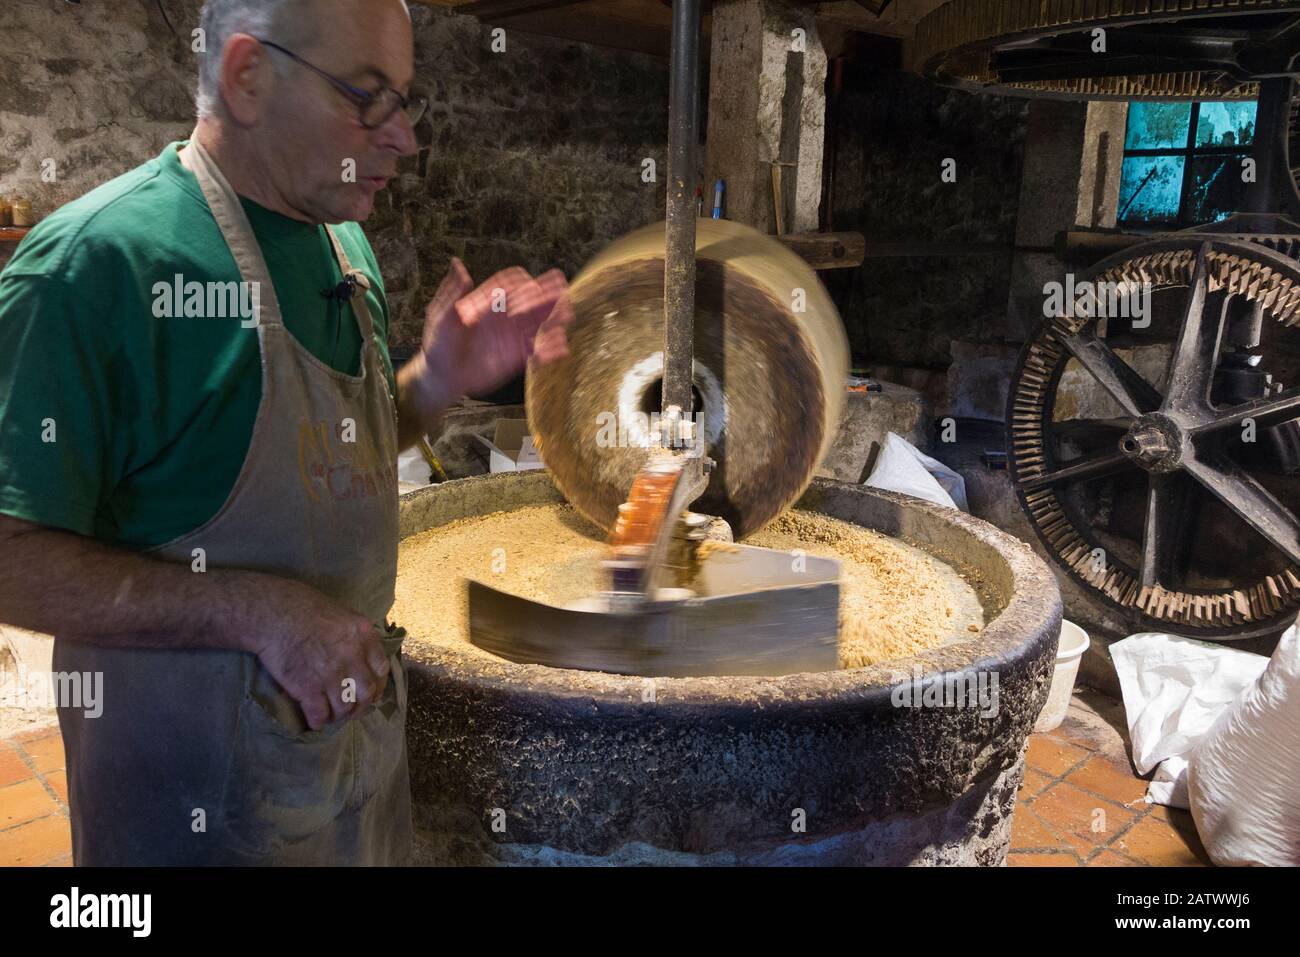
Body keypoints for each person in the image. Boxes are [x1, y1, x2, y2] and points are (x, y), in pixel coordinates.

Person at [0, 0, 571, 865]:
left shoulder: (345, 249)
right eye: (367, 95)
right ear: (246, 76)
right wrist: (257, 613)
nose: (404, 140)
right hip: (188, 810)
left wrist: (441, 376)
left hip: (347, 785)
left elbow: (342, 456)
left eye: (405, 99)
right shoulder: (96, 269)